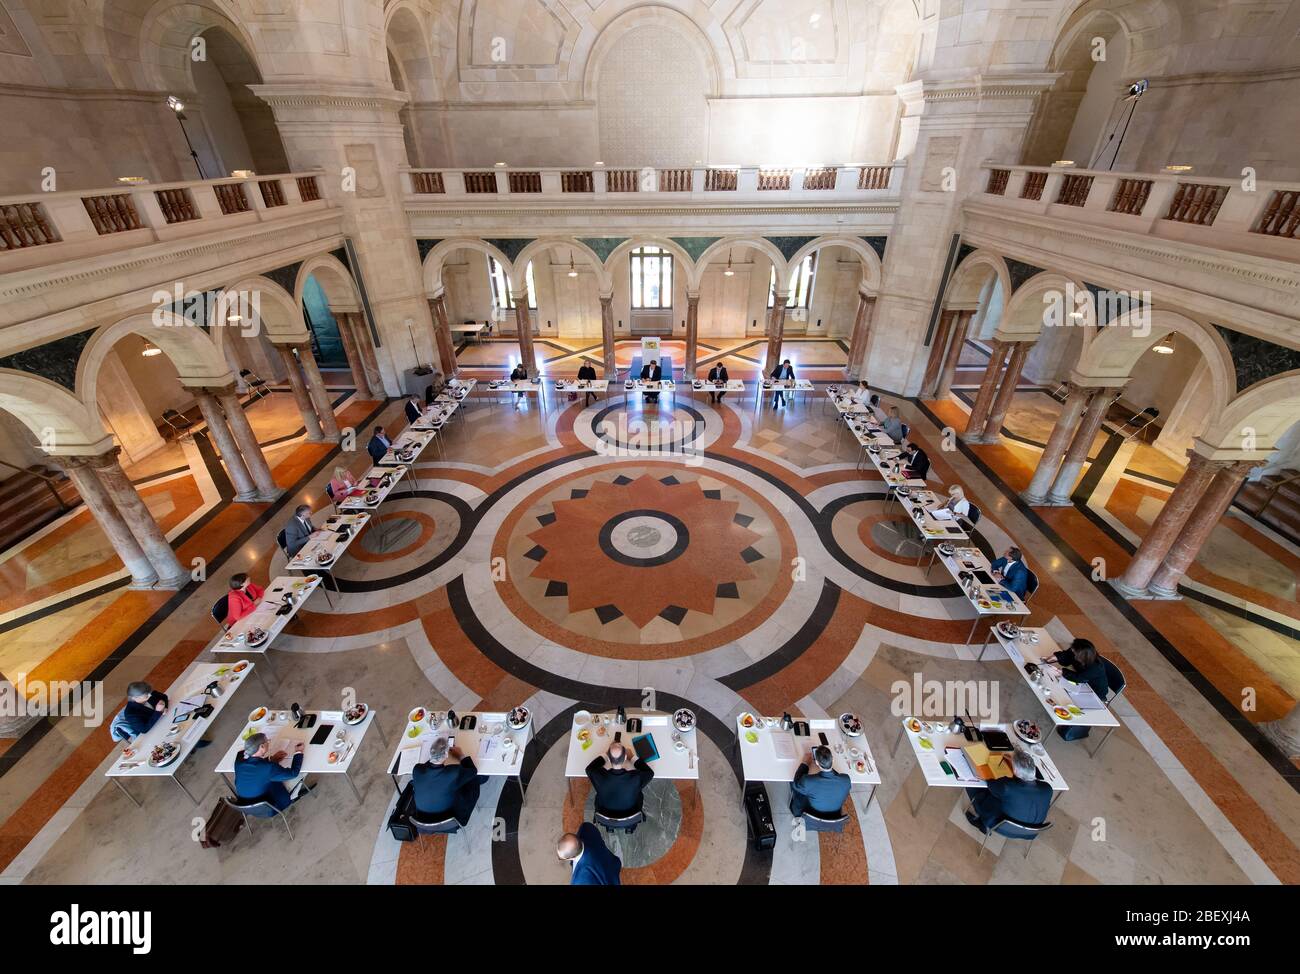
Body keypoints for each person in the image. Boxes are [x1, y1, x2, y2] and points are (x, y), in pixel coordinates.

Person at [965, 747, 1051, 834]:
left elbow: (991, 784)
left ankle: (983, 823)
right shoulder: (1048, 789)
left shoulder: (1007, 788)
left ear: (1015, 771)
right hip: (1030, 832)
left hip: (1001, 826)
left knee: (973, 785)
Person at [411, 737, 484, 826]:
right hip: (450, 820)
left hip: (422, 820)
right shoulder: (453, 772)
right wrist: (460, 755)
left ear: (430, 752)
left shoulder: (417, 769)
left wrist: (436, 756)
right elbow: (473, 771)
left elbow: (426, 765)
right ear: (446, 755)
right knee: (476, 780)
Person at [1051, 638, 1109, 741]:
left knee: (1063, 696)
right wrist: (1056, 657)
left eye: (1074, 651)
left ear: (1082, 655)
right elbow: (1067, 655)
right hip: (1083, 684)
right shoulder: (1078, 650)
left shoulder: (1095, 667)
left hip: (1095, 693)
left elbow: (1079, 678)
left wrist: (1063, 672)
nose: (1072, 651)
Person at [234, 733, 309, 811]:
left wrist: (271, 759)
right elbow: (293, 773)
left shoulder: (239, 761)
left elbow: (254, 764)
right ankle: (294, 796)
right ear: (262, 746)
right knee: (303, 771)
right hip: (270, 807)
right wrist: (298, 752)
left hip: (246, 806)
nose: (268, 743)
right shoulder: (268, 768)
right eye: (267, 741)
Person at [585, 741, 654, 818]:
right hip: (631, 812)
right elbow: (650, 773)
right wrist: (631, 757)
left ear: (609, 759)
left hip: (605, 812)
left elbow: (589, 769)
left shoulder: (599, 776)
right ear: (625, 757)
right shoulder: (635, 778)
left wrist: (606, 755)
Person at [789, 745, 851, 818]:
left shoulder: (808, 782)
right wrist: (828, 766)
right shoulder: (846, 780)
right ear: (833, 759)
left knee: (796, 788)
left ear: (817, 763)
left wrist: (805, 763)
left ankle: (796, 811)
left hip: (813, 813)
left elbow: (796, 783)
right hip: (834, 814)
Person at [557, 823, 622, 886]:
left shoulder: (580, 881)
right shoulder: (587, 828)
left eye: (562, 858)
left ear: (572, 857)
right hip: (612, 864)